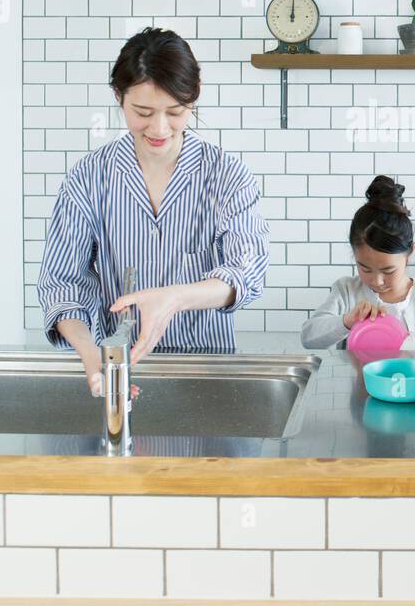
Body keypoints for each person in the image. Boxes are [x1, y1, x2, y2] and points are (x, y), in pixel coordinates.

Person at [37, 27, 269, 393]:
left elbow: (248, 273)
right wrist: (89, 352)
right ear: (118, 96)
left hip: (208, 374)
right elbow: (63, 282)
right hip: (119, 369)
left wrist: (173, 298)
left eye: (175, 112)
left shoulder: (227, 176)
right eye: (142, 112)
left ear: (194, 97)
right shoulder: (88, 177)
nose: (160, 128)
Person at [301, 176, 415, 351]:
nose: (377, 281)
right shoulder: (346, 291)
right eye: (364, 268)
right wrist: (347, 321)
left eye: (388, 271)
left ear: (409, 252)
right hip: (355, 379)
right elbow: (308, 338)